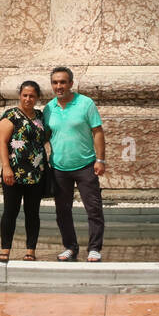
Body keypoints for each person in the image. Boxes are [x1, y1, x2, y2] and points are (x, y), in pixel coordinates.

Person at [42, 67, 105, 261]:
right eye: (55, 82)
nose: (59, 86)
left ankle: (94, 248)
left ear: (71, 83)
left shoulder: (86, 103)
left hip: (86, 165)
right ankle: (70, 247)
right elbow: (45, 136)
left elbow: (98, 132)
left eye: (63, 82)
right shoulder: (49, 108)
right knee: (62, 211)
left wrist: (100, 159)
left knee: (93, 209)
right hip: (59, 168)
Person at [0, 80, 48, 262]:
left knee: (32, 213)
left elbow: (44, 138)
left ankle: (30, 250)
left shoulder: (40, 117)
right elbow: (2, 142)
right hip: (14, 173)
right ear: (20, 95)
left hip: (36, 173)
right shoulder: (11, 116)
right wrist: (6, 168)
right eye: (25, 95)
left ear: (37, 97)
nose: (28, 99)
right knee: (10, 211)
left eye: (32, 96)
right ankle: (5, 249)